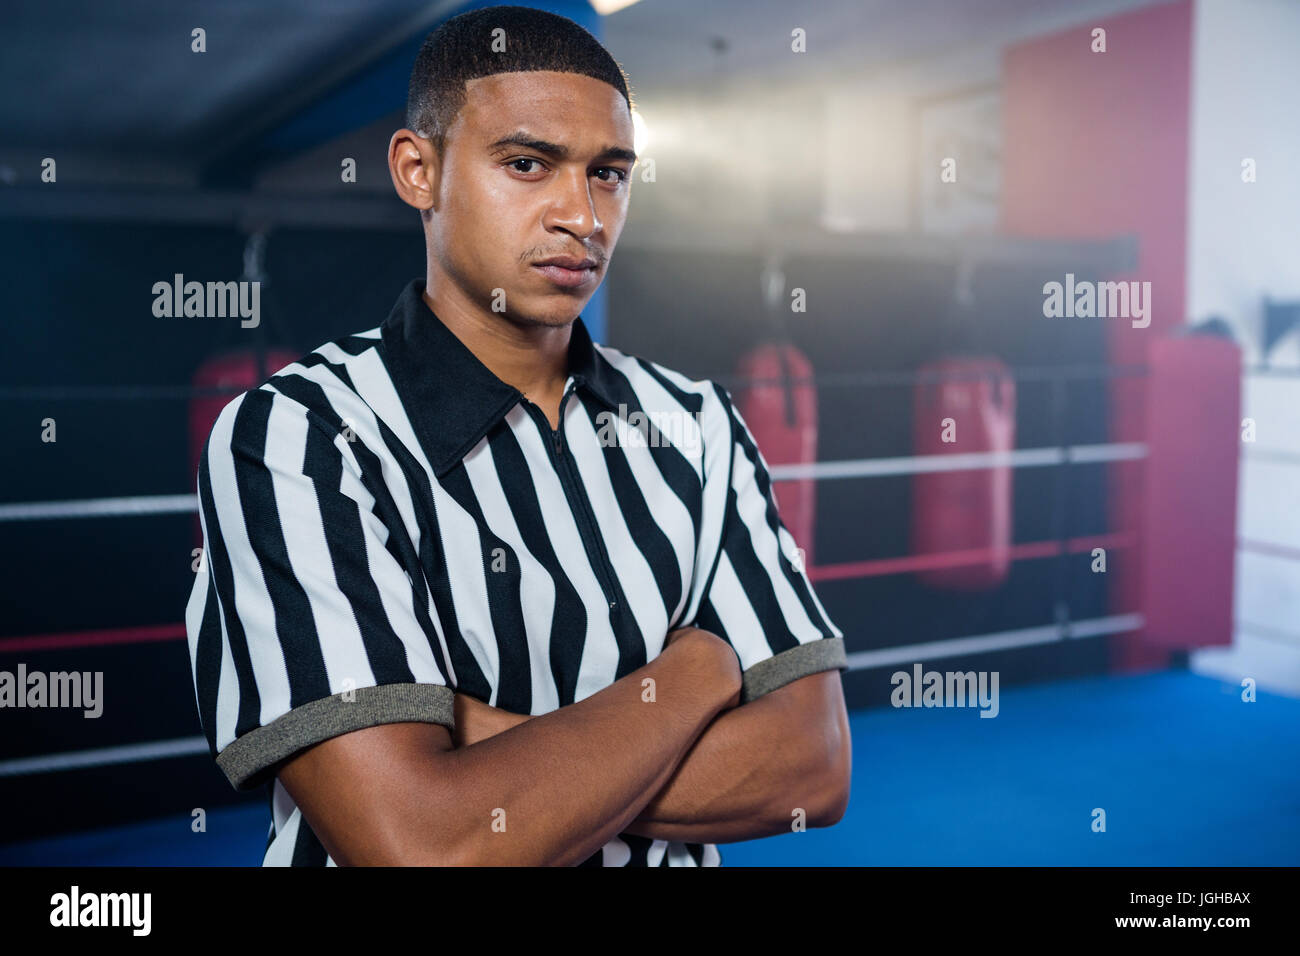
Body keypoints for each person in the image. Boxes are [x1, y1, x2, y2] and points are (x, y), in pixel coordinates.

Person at [185, 4, 850, 867]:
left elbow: (812, 768)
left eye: (610, 174)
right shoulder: (300, 436)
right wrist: (698, 674)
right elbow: (422, 848)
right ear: (418, 170)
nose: (582, 214)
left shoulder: (697, 424)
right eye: (529, 164)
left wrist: (486, 744)